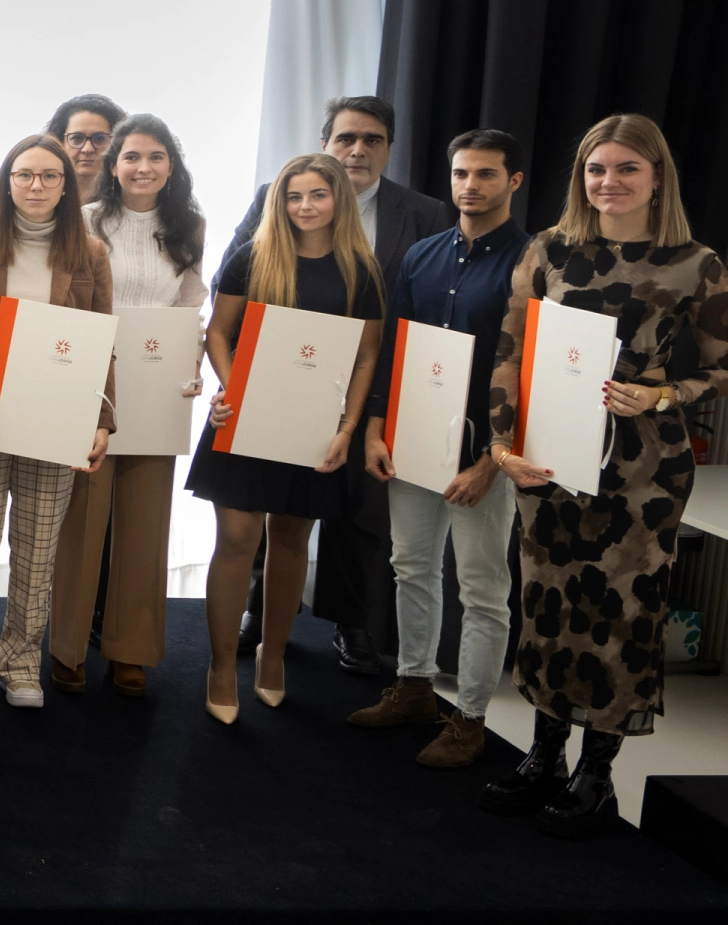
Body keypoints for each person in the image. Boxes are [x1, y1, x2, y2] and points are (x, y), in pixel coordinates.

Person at [477, 114, 726, 838]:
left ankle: (598, 772)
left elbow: (720, 366)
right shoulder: (550, 249)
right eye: (596, 168)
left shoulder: (696, 262)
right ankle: (544, 755)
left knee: (621, 615)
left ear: (657, 177)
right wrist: (500, 445)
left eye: (626, 169)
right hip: (551, 454)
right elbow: (508, 351)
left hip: (643, 469)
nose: (608, 182)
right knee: (550, 609)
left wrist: (664, 393)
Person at [223, 94, 451, 674]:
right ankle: (260, 611)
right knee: (271, 505)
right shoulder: (276, 200)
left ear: (389, 148)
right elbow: (237, 286)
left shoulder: (424, 212)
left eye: (372, 139)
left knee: (359, 505)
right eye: (346, 138)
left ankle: (351, 621)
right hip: (278, 384)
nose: (358, 149)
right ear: (326, 145)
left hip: (375, 379)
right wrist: (241, 385)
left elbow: (423, 304)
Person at [351, 129, 528, 769]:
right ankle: (414, 686)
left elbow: (532, 372)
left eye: (485, 175)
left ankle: (472, 719)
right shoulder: (422, 256)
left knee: (481, 587)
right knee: (410, 565)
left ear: (514, 182)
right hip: (413, 437)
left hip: (485, 451)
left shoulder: (533, 262)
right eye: (460, 175)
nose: (470, 186)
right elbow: (394, 351)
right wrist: (375, 428)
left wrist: (494, 462)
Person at [187, 152, 382, 725]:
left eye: (317, 195)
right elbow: (217, 334)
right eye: (294, 196)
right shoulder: (254, 257)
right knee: (239, 538)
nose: (304, 206)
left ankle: (273, 657)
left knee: (292, 539)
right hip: (244, 418)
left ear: (337, 200)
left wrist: (347, 429)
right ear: (280, 202)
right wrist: (233, 391)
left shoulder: (360, 270)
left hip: (317, 427)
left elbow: (367, 355)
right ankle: (222, 667)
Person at [0, 134, 115, 709]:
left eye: (48, 176)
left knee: (38, 552)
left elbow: (102, 342)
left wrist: (101, 419)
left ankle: (20, 664)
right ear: (6, 182)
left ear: (67, 186)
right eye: (24, 175)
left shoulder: (90, 253)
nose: (36, 186)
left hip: (55, 422)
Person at [49, 113, 207, 697]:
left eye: (155, 157)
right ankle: (66, 647)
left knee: (145, 522)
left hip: (159, 385)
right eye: (132, 157)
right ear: (113, 166)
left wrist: (191, 366)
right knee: (82, 517)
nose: (143, 168)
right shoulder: (86, 220)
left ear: (172, 166)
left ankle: (130, 650)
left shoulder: (189, 225)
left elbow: (193, 304)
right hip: (92, 383)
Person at [44, 93, 128, 206]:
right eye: (77, 138)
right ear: (60, 142)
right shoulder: (42, 200)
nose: (87, 149)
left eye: (100, 138)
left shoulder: (130, 203)